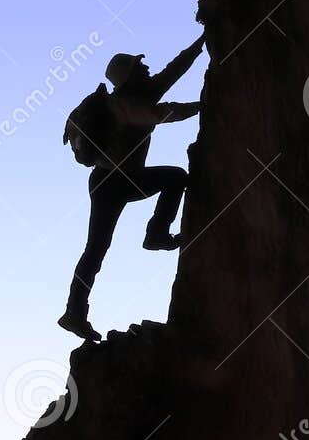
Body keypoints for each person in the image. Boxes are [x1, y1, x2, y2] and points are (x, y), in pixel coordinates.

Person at [58, 33, 205, 341]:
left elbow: (173, 70)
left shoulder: (141, 92)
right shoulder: (121, 106)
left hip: (109, 181)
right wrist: (206, 104)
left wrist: (200, 41)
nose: (147, 68)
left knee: (96, 248)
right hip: (113, 182)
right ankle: (155, 235)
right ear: (130, 77)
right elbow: (165, 113)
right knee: (174, 177)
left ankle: (74, 312)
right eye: (140, 67)